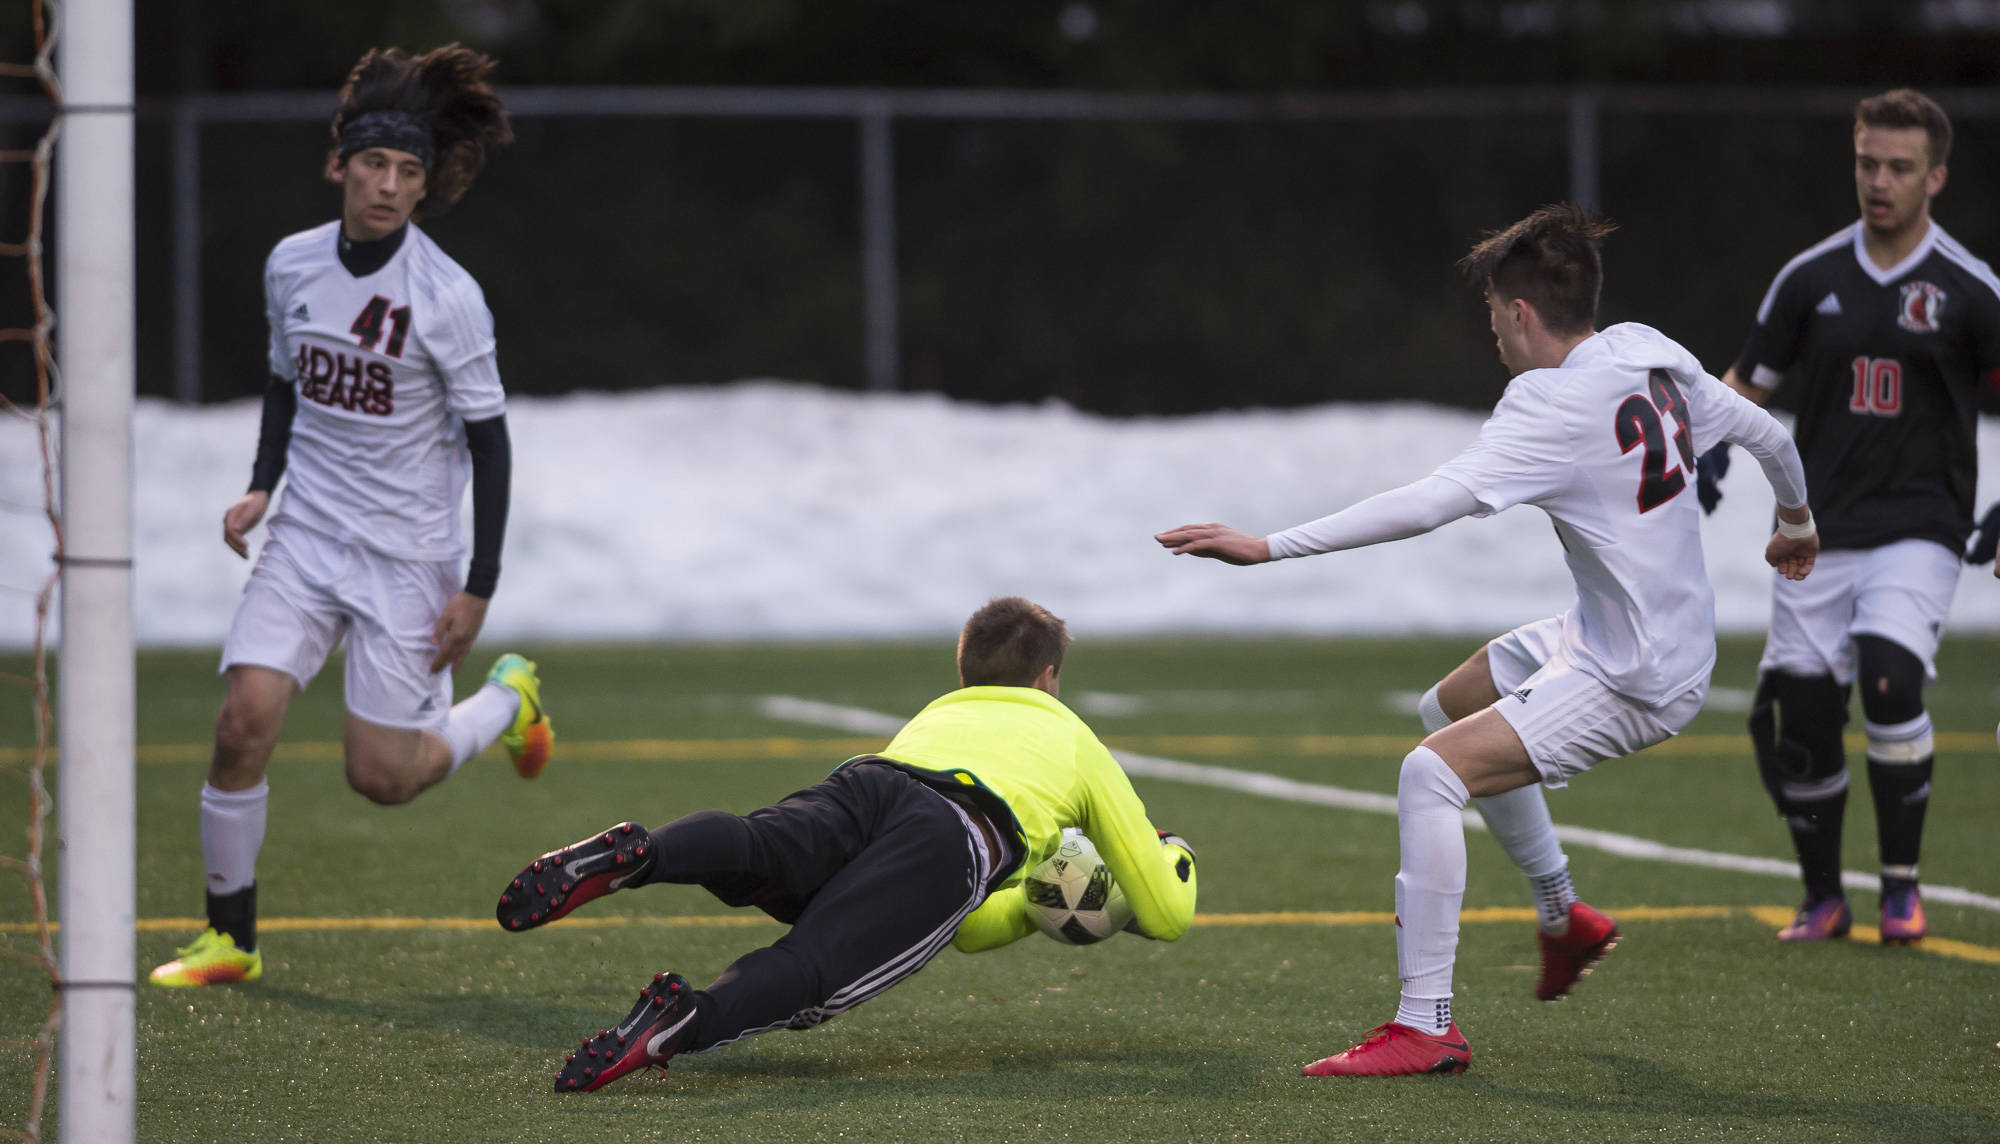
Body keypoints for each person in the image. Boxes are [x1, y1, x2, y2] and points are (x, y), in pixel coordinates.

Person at [1157, 204, 1817, 1077]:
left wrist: (1270, 545)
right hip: (1622, 633)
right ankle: (1563, 915)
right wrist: (1798, 521)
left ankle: (1426, 1024)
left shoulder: (1547, 403)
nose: (1493, 329)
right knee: (1453, 703)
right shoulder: (1645, 348)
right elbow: (1768, 433)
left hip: (1637, 673)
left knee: (1429, 772)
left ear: (1519, 313)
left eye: (1492, 311)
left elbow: (1429, 503)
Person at [149, 45, 552, 988]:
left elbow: (491, 444)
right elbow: (287, 383)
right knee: (243, 718)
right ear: (341, 166)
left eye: (409, 172)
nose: (389, 185)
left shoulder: (447, 299)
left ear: (422, 189)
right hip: (306, 537)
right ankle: (229, 940)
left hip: (408, 558)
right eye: (375, 165)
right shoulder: (290, 264)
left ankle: (508, 698)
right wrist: (262, 484)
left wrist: (477, 587)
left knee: (384, 778)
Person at [495, 596, 1198, 1093]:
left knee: (757, 846)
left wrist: (1024, 907)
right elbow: (1166, 915)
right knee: (812, 971)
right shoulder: (1074, 738)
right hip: (957, 839)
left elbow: (971, 930)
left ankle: (645, 851)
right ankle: (682, 1021)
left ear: (964, 673)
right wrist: (1169, 857)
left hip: (873, 782)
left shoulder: (936, 716)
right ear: (1049, 680)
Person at [1697, 89, 2000, 946]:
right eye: (1868, 162)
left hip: (1923, 525)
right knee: (1804, 710)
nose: (1880, 180)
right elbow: (1748, 381)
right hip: (1816, 531)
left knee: (1889, 678)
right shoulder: (1810, 277)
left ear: (1935, 177)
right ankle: (1823, 896)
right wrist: (1711, 445)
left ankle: (1901, 888)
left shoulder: (1971, 290)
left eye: (1900, 167)